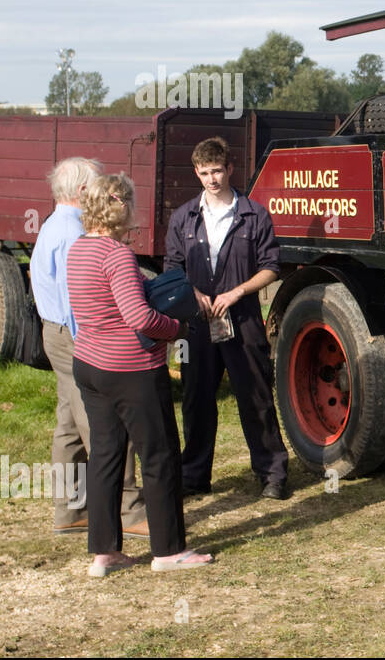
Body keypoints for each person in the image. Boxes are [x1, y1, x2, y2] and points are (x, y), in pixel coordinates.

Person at [67, 173, 212, 575]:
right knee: (160, 454)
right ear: (122, 208)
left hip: (90, 364)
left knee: (106, 456)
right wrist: (177, 330)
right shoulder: (117, 255)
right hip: (131, 370)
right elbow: (139, 317)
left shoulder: (77, 250)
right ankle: (167, 551)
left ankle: (104, 553)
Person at [30, 157, 149, 539]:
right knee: (104, 425)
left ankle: (70, 508)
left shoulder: (53, 224)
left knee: (68, 422)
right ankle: (129, 510)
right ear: (83, 192)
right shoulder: (71, 233)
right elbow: (81, 296)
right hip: (76, 335)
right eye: (97, 188)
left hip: (56, 332)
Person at [165, 137, 289, 500]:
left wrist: (237, 292)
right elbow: (172, 269)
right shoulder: (183, 217)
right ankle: (193, 476)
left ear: (230, 169)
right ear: (196, 173)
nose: (211, 179)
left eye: (217, 171)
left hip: (244, 319)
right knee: (196, 400)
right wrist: (196, 295)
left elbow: (271, 267)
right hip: (198, 324)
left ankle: (273, 475)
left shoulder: (255, 214)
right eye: (204, 173)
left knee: (256, 397)